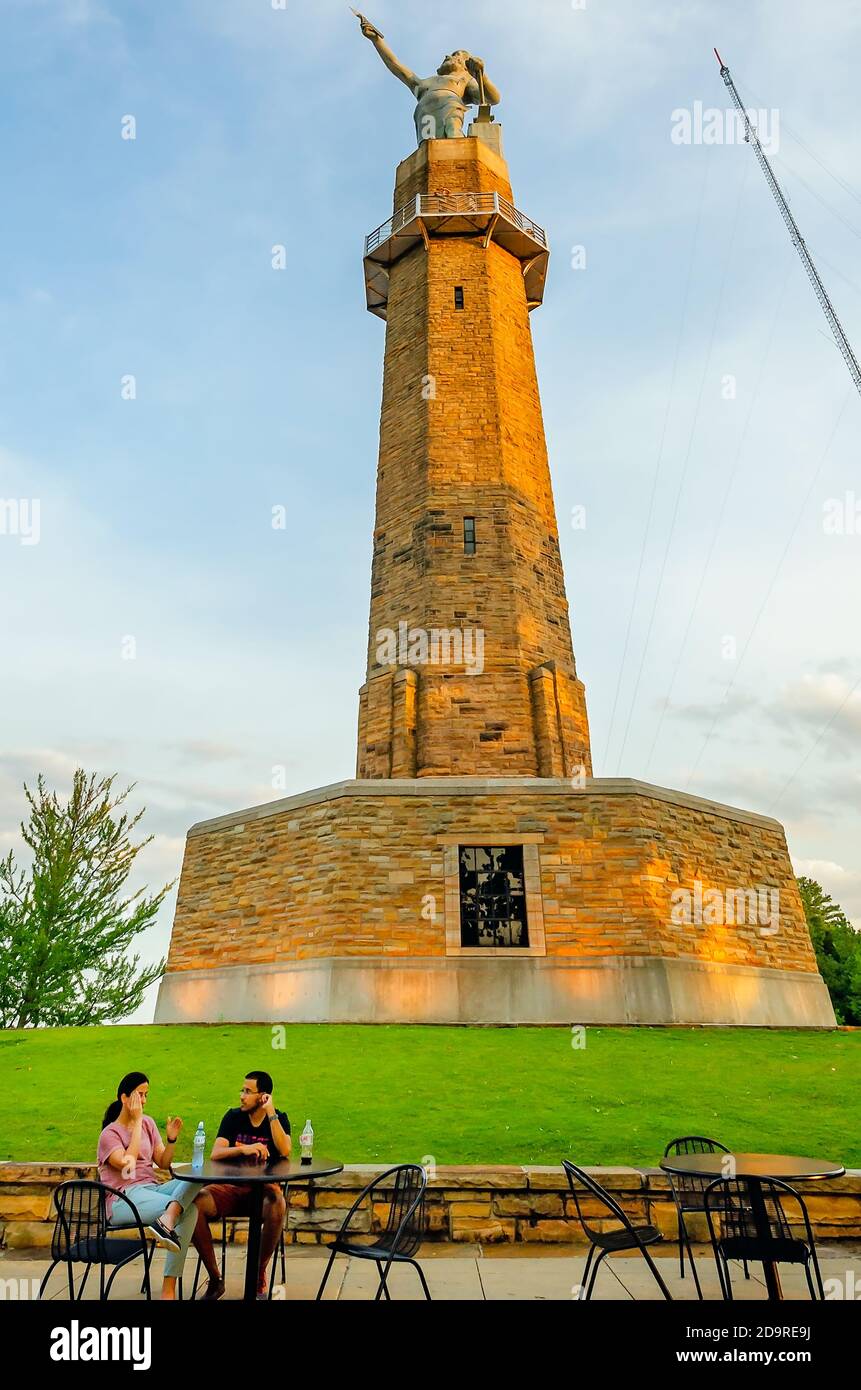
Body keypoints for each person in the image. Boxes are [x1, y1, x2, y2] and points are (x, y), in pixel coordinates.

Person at [97, 1071, 224, 1301]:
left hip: (152, 1188)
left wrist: (172, 1140)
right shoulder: (110, 1134)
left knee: (199, 1175)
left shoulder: (148, 1123)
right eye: (139, 1095)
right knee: (191, 1210)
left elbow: (164, 1163)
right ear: (124, 1098)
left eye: (146, 1095)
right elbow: (128, 1164)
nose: (144, 1101)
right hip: (122, 1199)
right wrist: (136, 1123)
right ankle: (168, 1292)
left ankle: (168, 1218)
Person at [196, 1070, 291, 1300]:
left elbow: (286, 1149)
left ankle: (258, 1272)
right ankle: (216, 1279)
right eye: (243, 1090)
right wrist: (243, 1148)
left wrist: (271, 1114)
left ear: (263, 1096)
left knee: (278, 1203)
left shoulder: (278, 1118)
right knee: (196, 1203)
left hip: (265, 1191)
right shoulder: (233, 1117)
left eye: (248, 1091)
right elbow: (216, 1153)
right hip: (230, 1189)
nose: (242, 1096)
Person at [356, 15, 501, 143]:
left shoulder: (464, 80)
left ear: (464, 65)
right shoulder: (423, 83)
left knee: (454, 137)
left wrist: (481, 75)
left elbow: (493, 98)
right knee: (428, 147)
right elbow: (395, 65)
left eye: (455, 55)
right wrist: (376, 40)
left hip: (450, 106)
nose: (447, 56)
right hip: (425, 113)